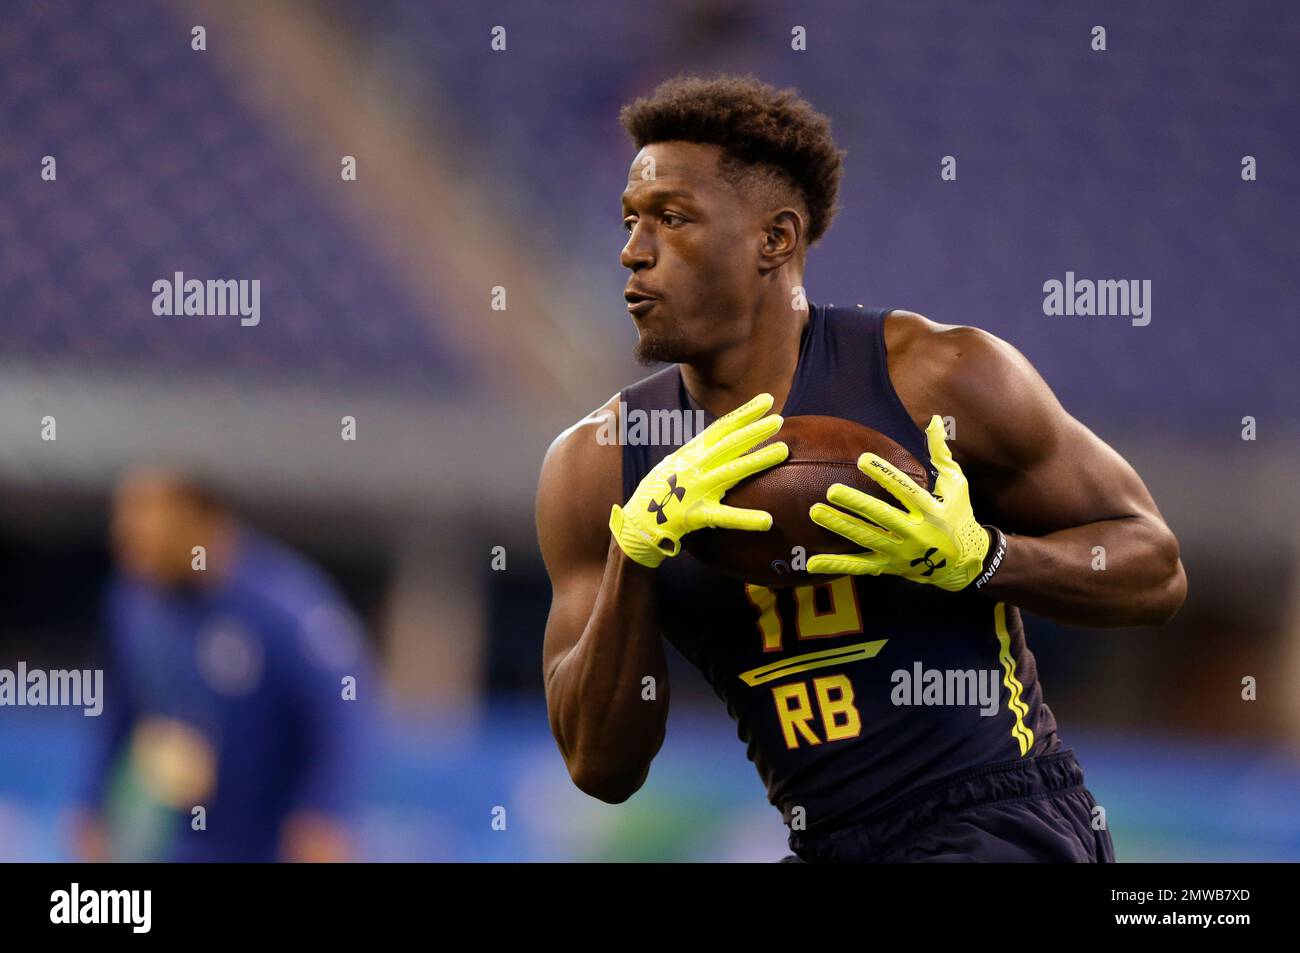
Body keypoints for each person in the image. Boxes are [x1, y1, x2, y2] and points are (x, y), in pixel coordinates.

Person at [536, 75, 1186, 862]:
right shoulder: (596, 465)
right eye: (631, 220)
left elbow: (1156, 568)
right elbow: (600, 768)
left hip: (997, 822)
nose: (632, 251)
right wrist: (630, 556)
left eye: (672, 219)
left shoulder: (940, 375)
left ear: (775, 239)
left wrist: (985, 558)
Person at [75, 468, 369, 862]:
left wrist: (323, 813)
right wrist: (93, 803)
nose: (124, 532)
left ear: (199, 517)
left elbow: (343, 717)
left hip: (270, 842)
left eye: (144, 514)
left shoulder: (287, 608)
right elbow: (121, 711)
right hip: (183, 841)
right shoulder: (134, 605)